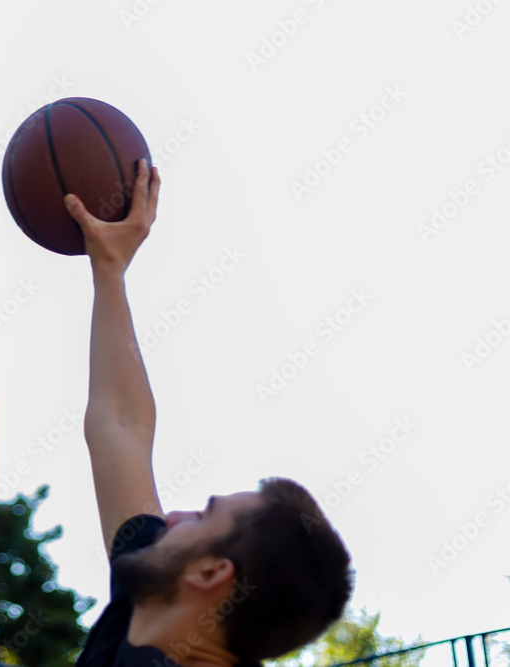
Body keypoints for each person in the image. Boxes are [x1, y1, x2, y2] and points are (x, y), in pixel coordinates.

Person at [64, 160, 354, 666]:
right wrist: (109, 270)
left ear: (208, 574)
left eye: (202, 516)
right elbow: (121, 428)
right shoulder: (146, 616)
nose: (172, 516)